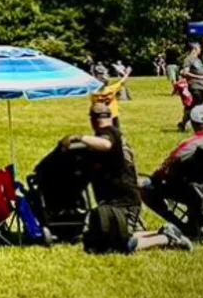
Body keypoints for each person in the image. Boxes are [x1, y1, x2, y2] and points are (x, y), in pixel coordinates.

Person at [57, 104, 191, 252]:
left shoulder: (109, 134)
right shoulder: (114, 134)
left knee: (122, 245)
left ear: (92, 120)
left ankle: (168, 239)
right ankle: (164, 232)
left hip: (124, 201)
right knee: (111, 238)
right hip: (120, 198)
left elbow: (106, 144)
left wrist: (79, 137)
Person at [143, 104, 203, 225]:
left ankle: (178, 225)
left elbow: (166, 167)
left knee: (145, 187)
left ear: (193, 124)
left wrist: (155, 177)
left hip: (194, 193)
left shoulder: (189, 145)